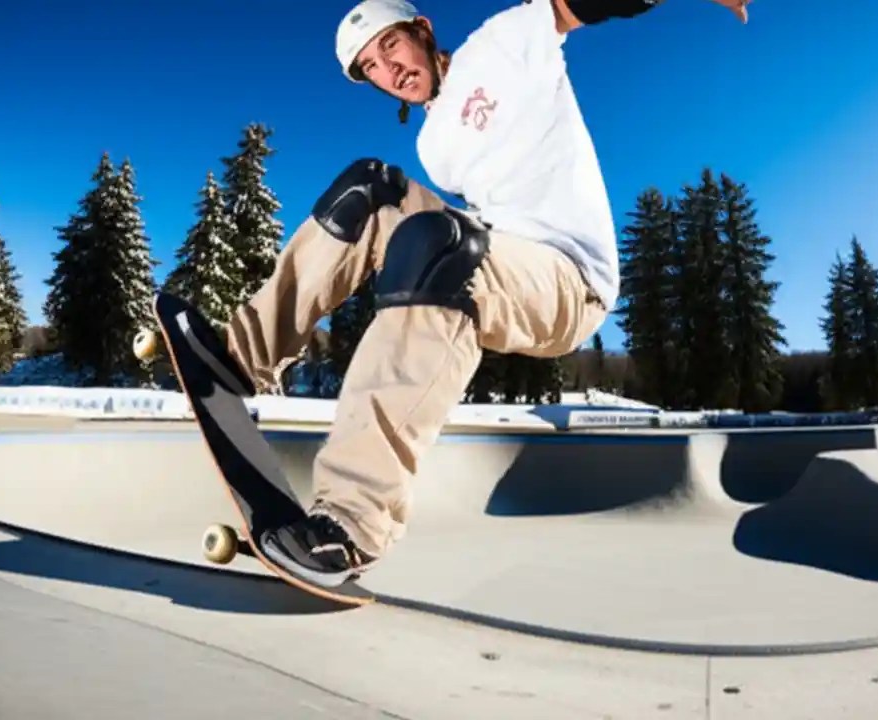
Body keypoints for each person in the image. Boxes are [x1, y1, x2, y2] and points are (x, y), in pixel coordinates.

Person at [224, 0, 751, 588]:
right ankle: (242, 355)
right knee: (368, 190)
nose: (389, 71)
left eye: (391, 46)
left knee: (440, 250)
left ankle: (352, 522)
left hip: (570, 279)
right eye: (371, 66)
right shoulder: (433, 145)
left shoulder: (501, 41)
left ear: (423, 30)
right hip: (501, 260)